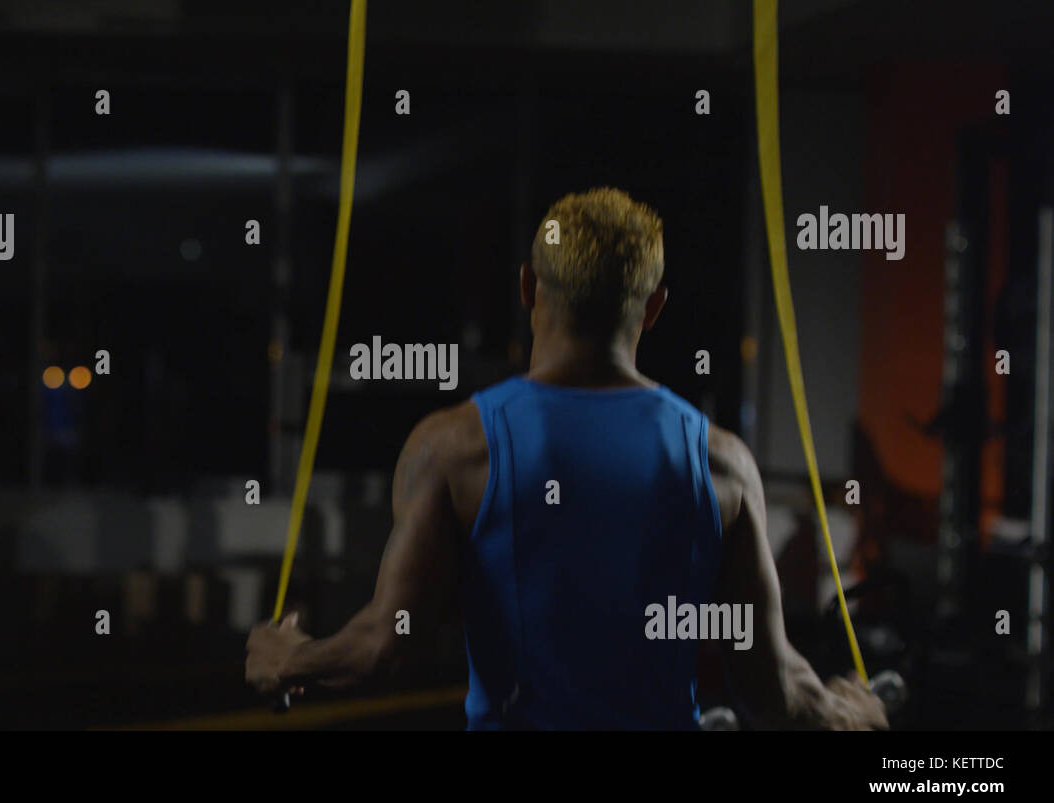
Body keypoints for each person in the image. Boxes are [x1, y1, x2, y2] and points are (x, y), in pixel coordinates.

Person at [246, 188, 888, 730]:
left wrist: (288, 659)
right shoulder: (721, 463)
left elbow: (384, 644)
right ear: (655, 306)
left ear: (528, 287)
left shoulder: (453, 446)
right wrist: (844, 712)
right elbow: (766, 687)